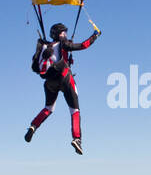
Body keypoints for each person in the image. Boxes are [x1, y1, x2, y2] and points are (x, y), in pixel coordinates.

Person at [25, 22, 101, 155]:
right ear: (58, 34)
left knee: (48, 108)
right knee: (74, 110)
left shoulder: (44, 46)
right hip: (64, 78)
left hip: (49, 81)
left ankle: (33, 126)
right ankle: (76, 138)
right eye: (63, 32)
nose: (65, 34)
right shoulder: (63, 44)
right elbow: (83, 45)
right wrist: (95, 35)